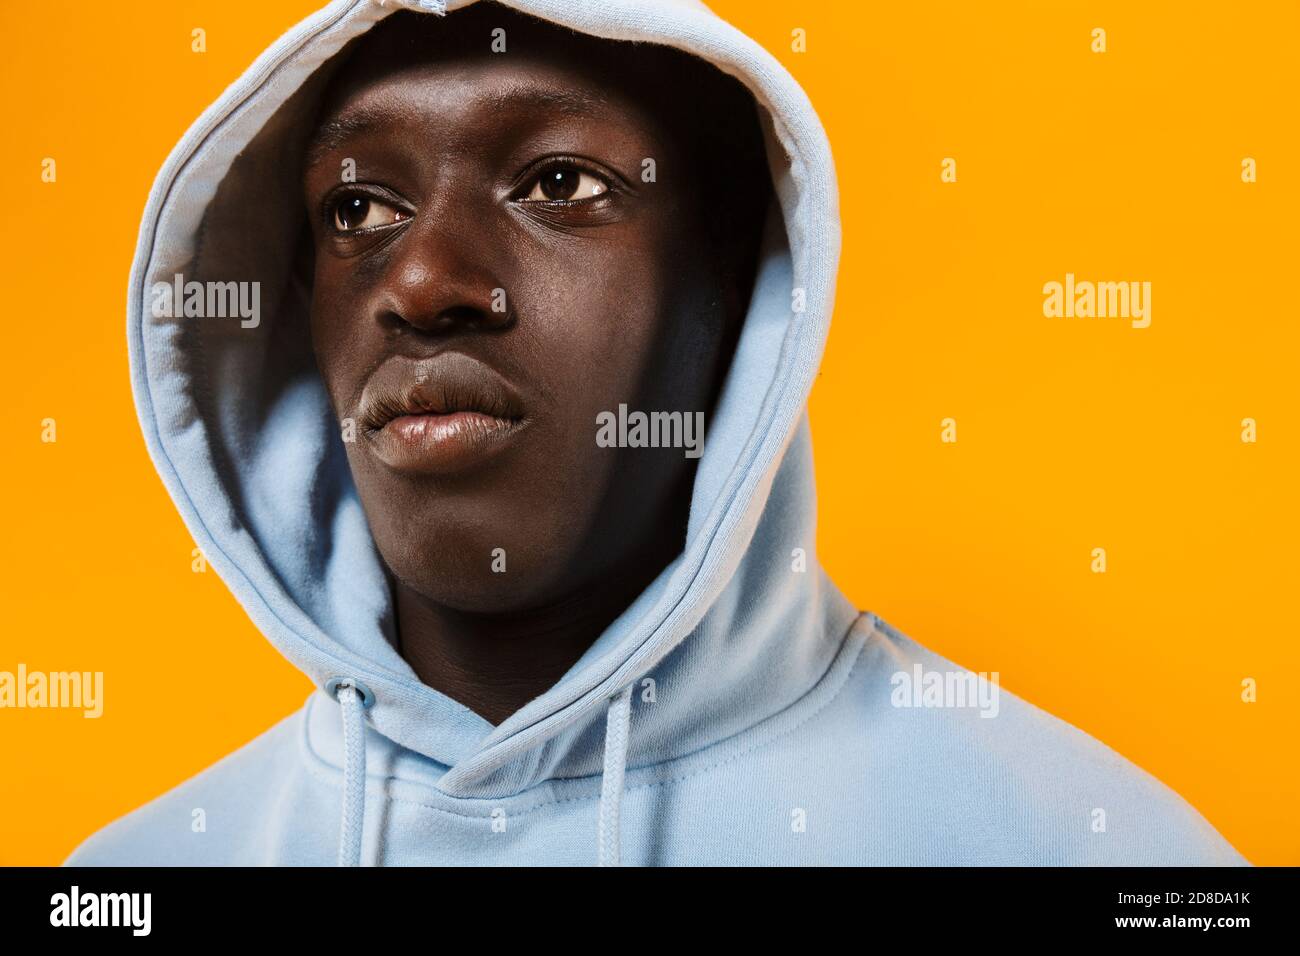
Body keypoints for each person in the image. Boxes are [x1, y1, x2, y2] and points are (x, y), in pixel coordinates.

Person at [65, 0, 1247, 866]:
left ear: (741, 294)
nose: (421, 279)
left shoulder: (1098, 850)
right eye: (359, 207)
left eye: (561, 184)